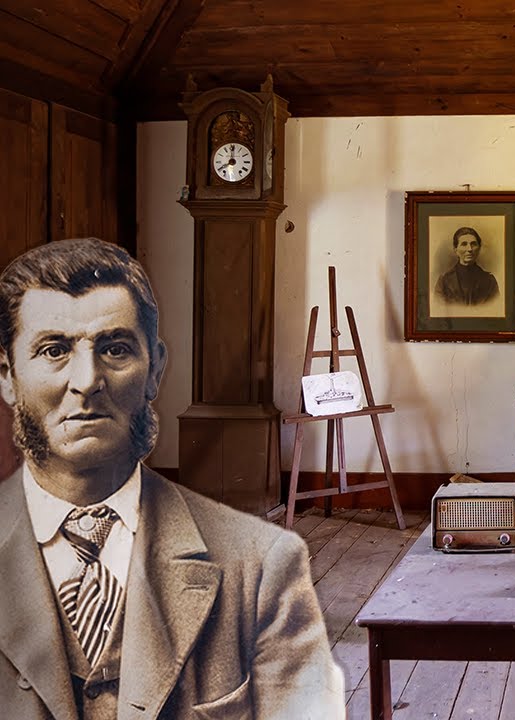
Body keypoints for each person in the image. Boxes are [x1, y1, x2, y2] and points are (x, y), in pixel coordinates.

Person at [0, 239, 344, 719]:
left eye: (115, 349)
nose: (87, 380)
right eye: (54, 350)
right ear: (7, 375)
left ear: (155, 368)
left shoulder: (262, 569)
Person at [434, 226, 499, 305]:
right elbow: (438, 309)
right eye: (464, 244)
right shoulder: (444, 281)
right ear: (455, 250)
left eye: (473, 244)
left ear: (479, 248)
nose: (469, 249)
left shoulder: (490, 281)